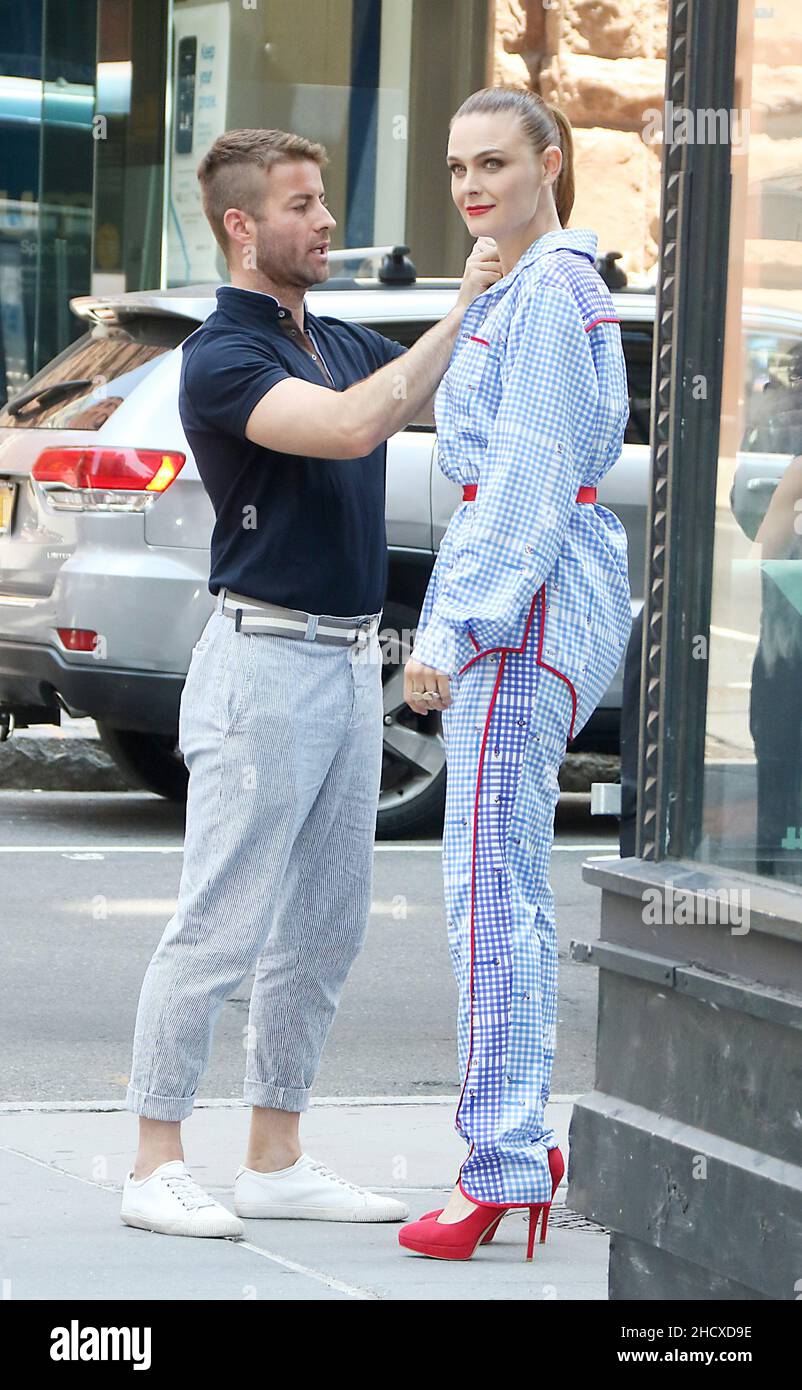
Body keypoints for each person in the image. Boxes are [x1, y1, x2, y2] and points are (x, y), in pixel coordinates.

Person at [120, 127, 501, 1239]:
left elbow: (407, 397)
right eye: (300, 204)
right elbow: (348, 428)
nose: (324, 219)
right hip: (260, 662)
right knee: (219, 920)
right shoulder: (223, 357)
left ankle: (276, 1154)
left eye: (324, 198)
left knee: (325, 926)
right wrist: (461, 308)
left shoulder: (334, 336)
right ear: (243, 227)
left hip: (347, 665)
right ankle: (152, 1160)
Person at [396, 86, 633, 1262]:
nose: (471, 187)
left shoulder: (551, 292)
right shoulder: (525, 285)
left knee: (489, 896)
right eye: (453, 168)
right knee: (501, 891)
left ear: (550, 161)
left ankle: (500, 1160)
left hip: (528, 604)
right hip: (537, 596)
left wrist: (450, 633)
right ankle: (513, 1149)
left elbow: (529, 478)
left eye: (494, 162)